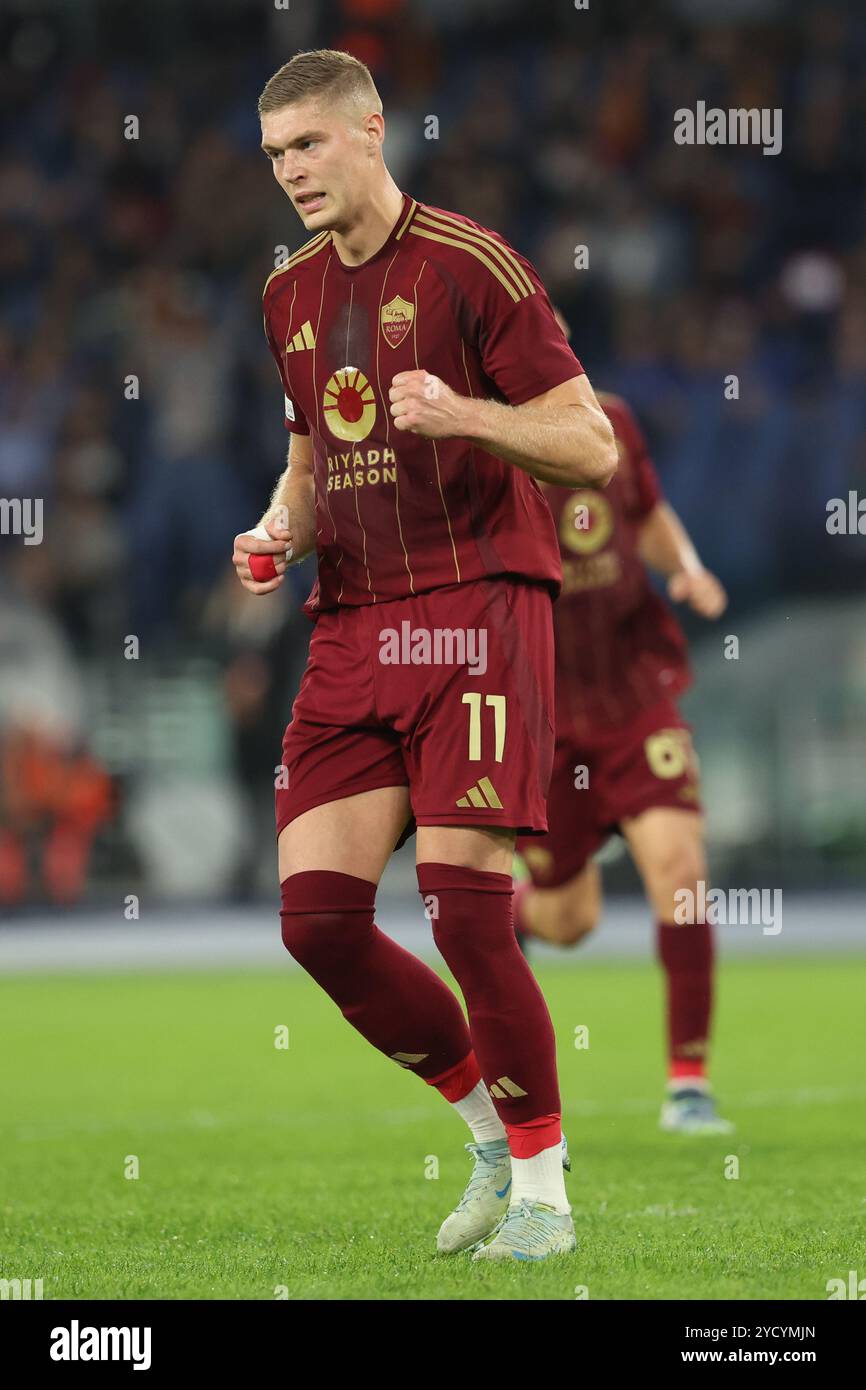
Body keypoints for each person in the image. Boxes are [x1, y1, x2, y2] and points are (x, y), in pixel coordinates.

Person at [232, 48, 617, 1261]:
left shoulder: (472, 265)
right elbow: (308, 458)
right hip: (349, 624)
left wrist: (463, 414)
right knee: (318, 924)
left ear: (369, 131)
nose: (292, 171)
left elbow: (589, 444)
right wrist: (277, 529)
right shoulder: (283, 294)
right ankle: (486, 1131)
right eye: (276, 154)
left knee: (463, 915)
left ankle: (546, 1197)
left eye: (309, 145)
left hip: (474, 615)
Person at [513, 385, 732, 1135]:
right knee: (571, 922)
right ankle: (512, 918)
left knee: (683, 876)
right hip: (542, 722)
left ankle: (689, 1085)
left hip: (635, 701)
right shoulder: (476, 444)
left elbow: (646, 514)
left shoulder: (614, 422)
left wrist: (686, 569)